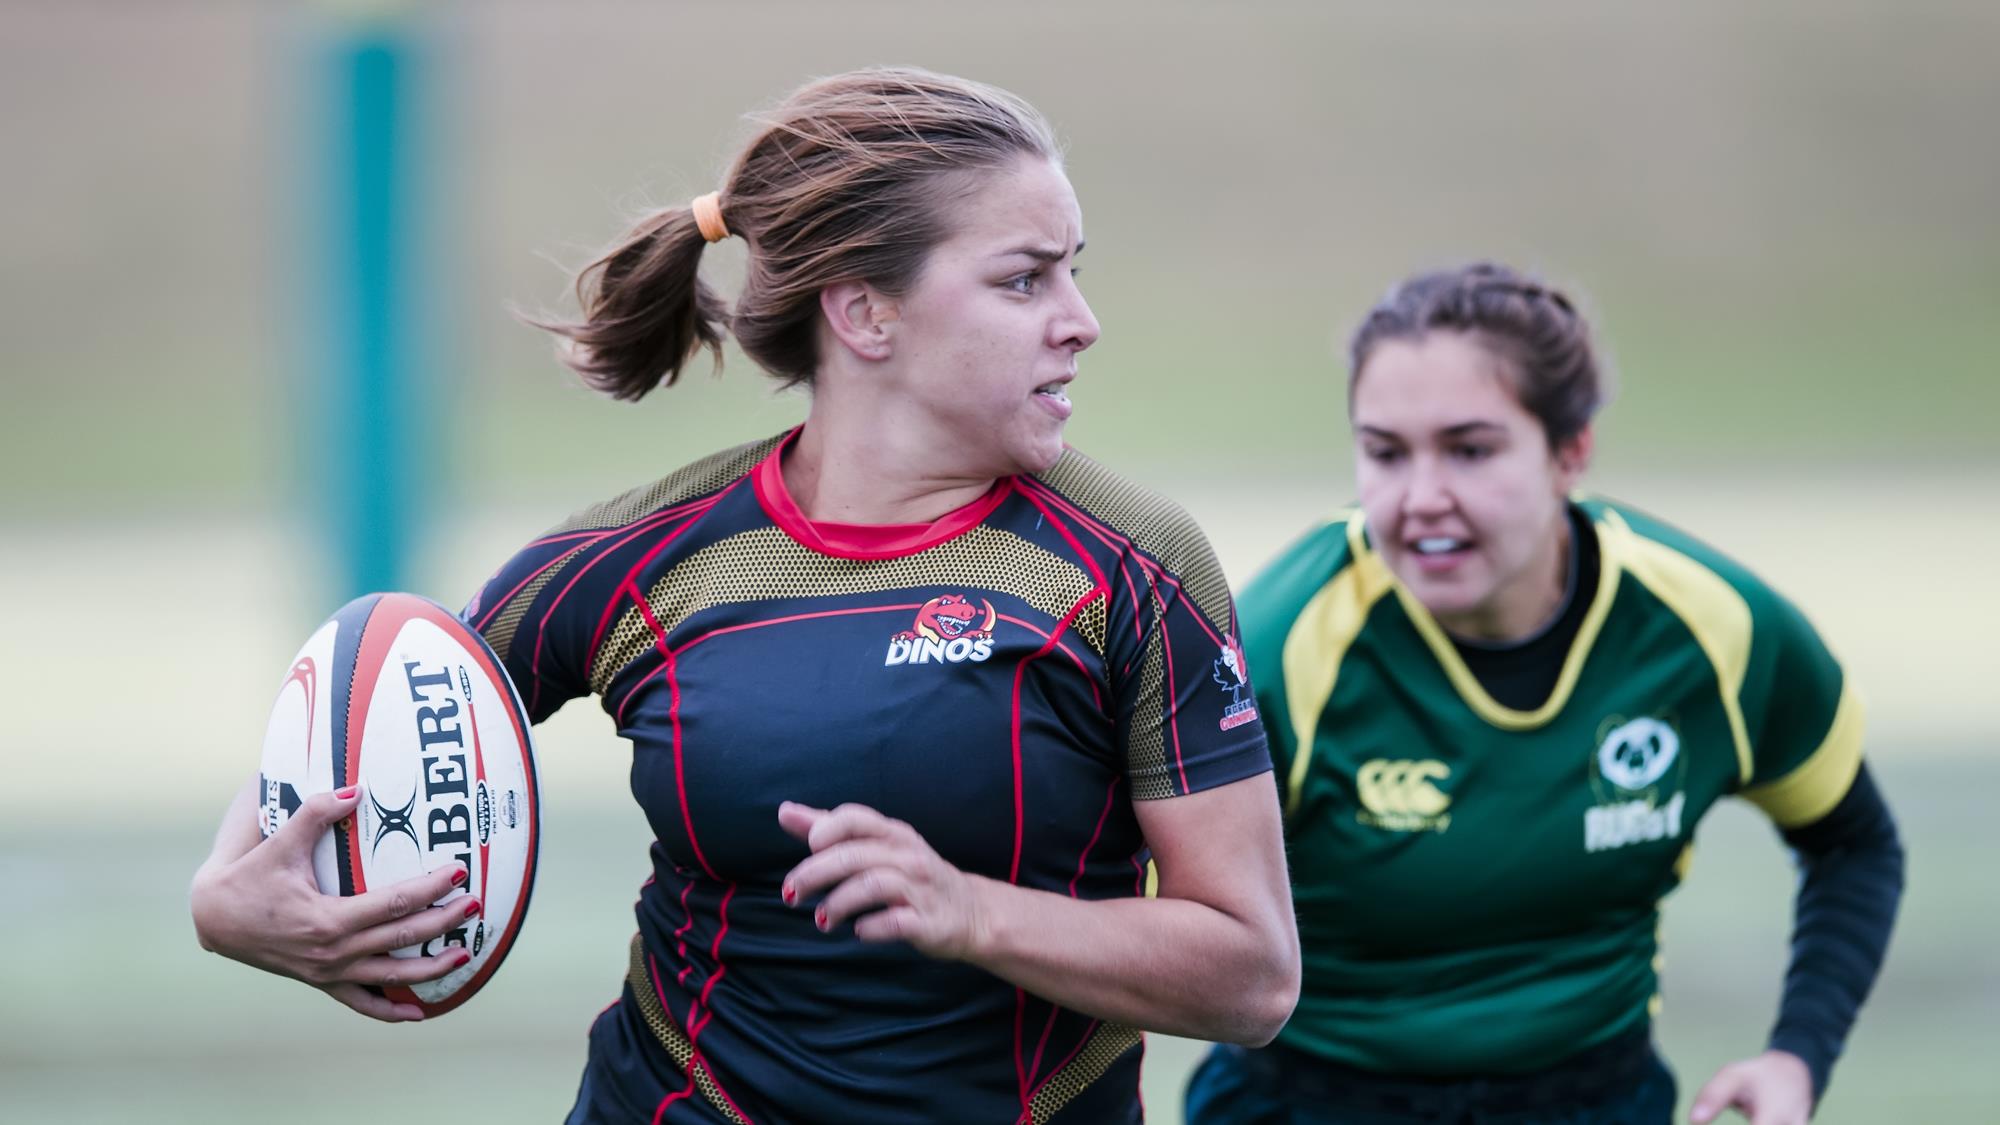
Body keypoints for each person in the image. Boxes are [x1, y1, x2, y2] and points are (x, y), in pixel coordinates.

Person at [190, 68, 1299, 1124]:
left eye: (1073, 270)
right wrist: (228, 900)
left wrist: (973, 915)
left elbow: (1250, 978)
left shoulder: (1132, 566)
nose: (1078, 318)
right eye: (1024, 278)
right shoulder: (645, 559)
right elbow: (373, 702)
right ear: (864, 315)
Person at [1185, 263, 1905, 1125]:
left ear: (1572, 452)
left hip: (1596, 1098)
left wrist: (1798, 1055)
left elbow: (1853, 842)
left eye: (1471, 449)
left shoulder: (1715, 631)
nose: (1420, 499)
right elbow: (1149, 909)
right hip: (1308, 1102)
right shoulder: (1275, 644)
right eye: (1384, 452)